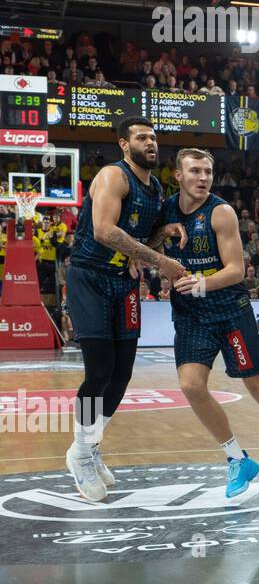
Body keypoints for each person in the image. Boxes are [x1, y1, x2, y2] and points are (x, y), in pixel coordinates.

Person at [162, 148, 259, 499]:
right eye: (195, 171)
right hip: (191, 314)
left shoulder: (221, 211)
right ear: (178, 176)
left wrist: (199, 281)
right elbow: (148, 240)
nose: (203, 178)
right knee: (191, 386)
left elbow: (236, 270)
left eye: (208, 172)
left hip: (229, 310)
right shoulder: (164, 209)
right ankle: (236, 458)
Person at [64, 117, 186, 502]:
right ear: (123, 144)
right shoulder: (113, 177)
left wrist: (159, 237)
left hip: (123, 283)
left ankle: (90, 446)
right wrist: (160, 260)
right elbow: (104, 231)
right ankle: (81, 454)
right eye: (142, 138)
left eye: (153, 138)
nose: (150, 143)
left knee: (122, 375)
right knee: (99, 371)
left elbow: (135, 240)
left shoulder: (155, 189)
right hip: (90, 277)